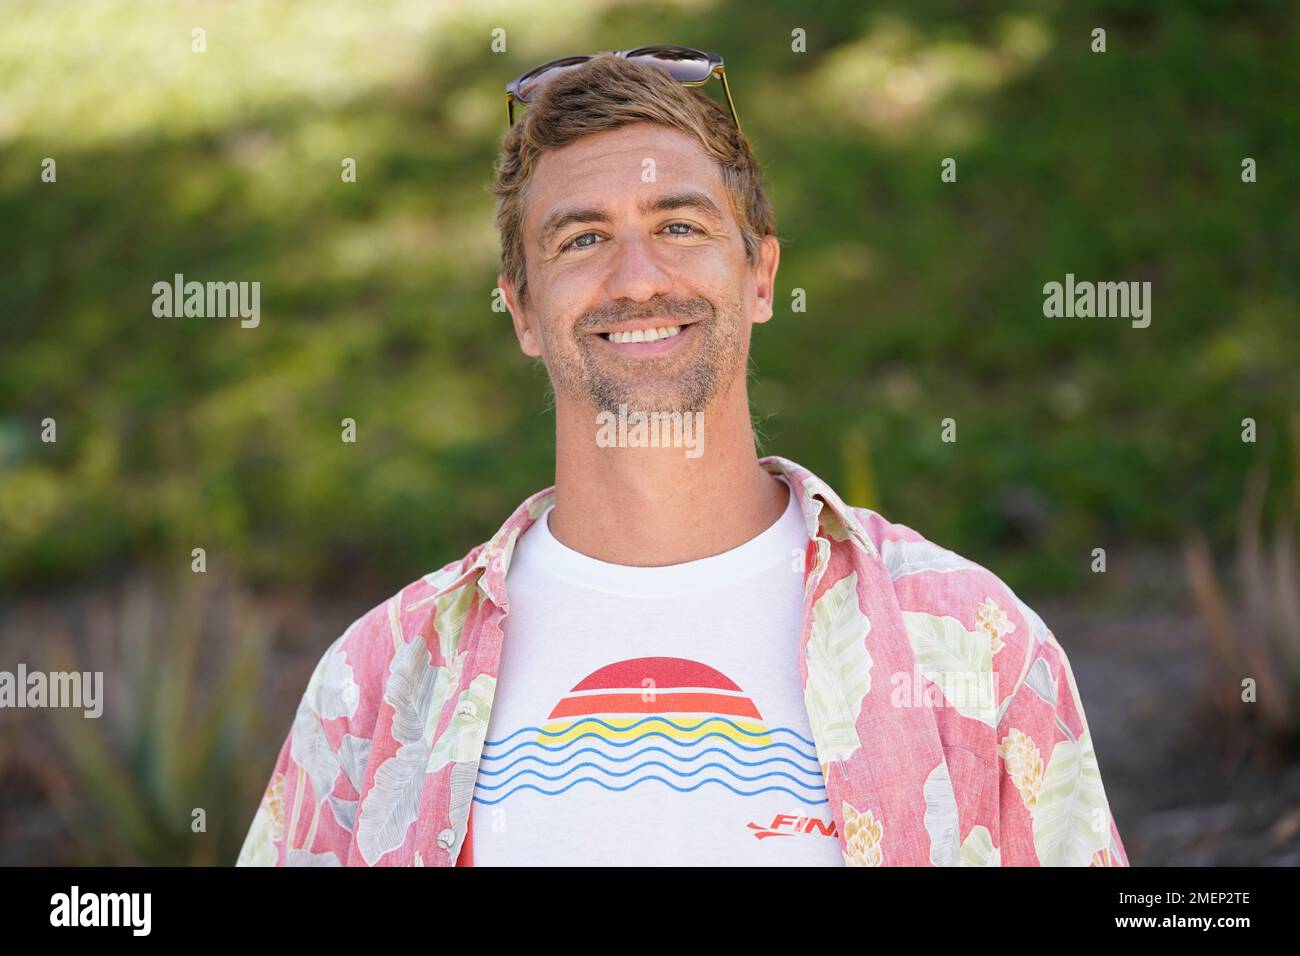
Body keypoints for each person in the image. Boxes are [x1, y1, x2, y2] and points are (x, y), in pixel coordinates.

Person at [236, 49, 1129, 867]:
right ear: (521, 313)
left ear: (762, 276)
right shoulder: (382, 679)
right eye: (582, 239)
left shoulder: (969, 642)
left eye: (680, 226)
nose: (636, 278)